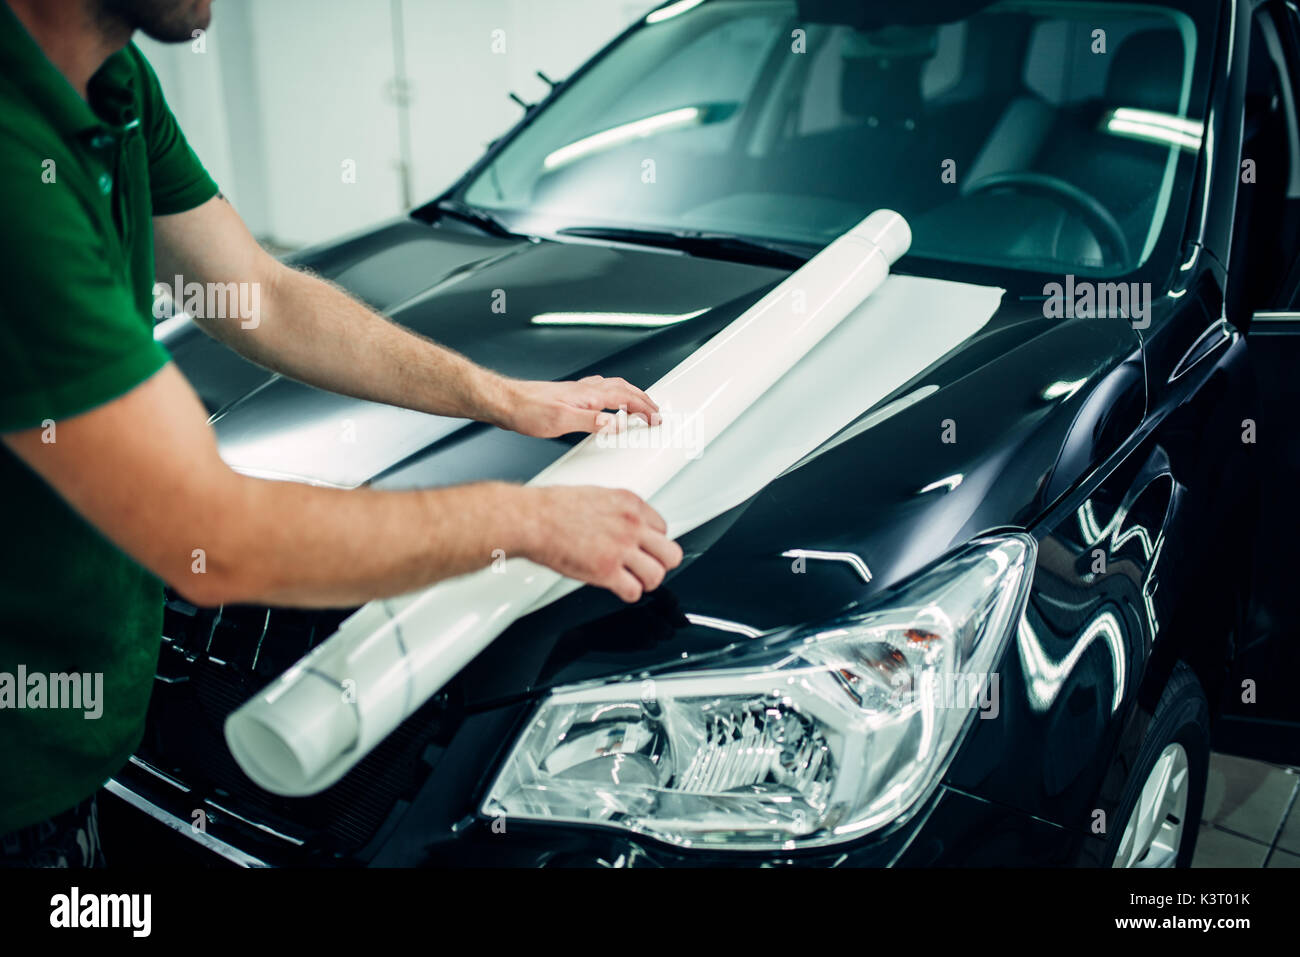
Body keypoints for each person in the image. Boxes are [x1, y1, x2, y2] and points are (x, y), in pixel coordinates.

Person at [0, 0, 681, 865]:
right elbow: (209, 532)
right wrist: (533, 520)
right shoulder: (14, 171)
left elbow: (260, 292)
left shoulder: (113, 84)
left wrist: (504, 398)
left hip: (81, 751)